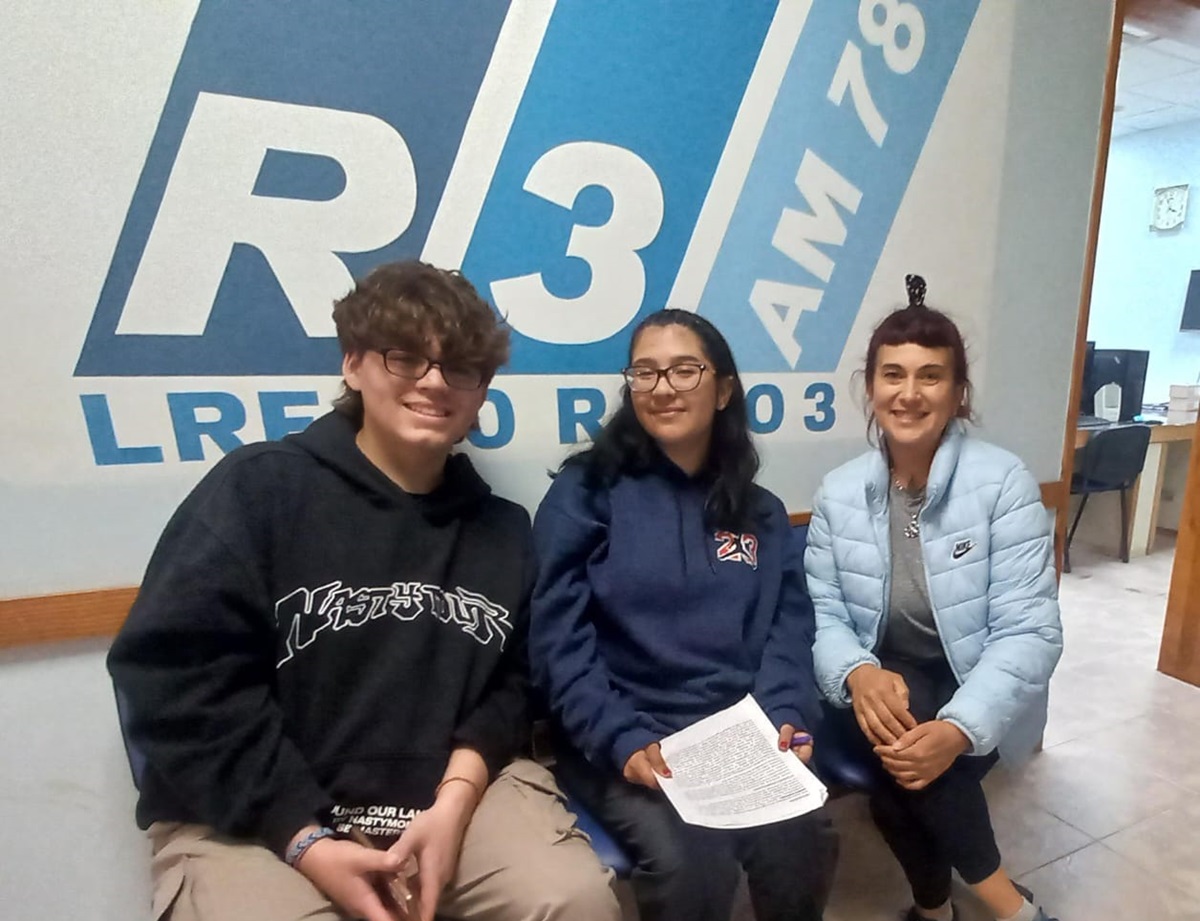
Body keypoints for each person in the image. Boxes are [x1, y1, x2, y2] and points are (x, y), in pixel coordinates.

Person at [107, 261, 620, 921]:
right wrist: (305, 838)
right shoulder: (258, 490)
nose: (435, 381)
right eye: (406, 356)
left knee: (571, 899)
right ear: (353, 364)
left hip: (445, 794)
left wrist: (457, 798)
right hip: (259, 808)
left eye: (460, 366)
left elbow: (512, 685)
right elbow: (177, 687)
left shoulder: (502, 529)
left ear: (480, 392)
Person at [529, 308, 838, 921]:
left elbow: (787, 628)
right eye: (645, 373)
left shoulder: (761, 511)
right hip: (632, 737)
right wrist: (621, 737)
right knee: (692, 862)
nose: (663, 387)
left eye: (684, 370)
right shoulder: (586, 493)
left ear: (723, 389)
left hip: (740, 735)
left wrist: (783, 714)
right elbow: (556, 640)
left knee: (804, 837)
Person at [806, 275, 1063, 921]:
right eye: (893, 374)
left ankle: (966, 908)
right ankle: (991, 908)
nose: (910, 392)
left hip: (970, 682)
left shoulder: (1001, 482)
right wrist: (858, 670)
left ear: (957, 392)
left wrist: (959, 726)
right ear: (871, 387)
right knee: (903, 739)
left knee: (903, 781)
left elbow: (1030, 630)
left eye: (931, 375)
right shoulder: (839, 492)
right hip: (876, 686)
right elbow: (828, 616)